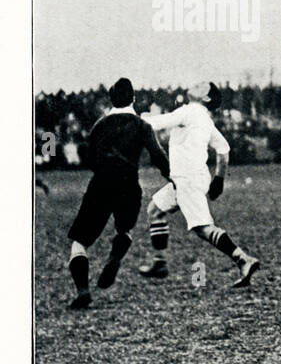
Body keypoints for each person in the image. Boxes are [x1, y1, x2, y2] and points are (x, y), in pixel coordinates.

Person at [138, 82, 261, 287]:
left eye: (201, 86)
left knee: (203, 228)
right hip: (189, 178)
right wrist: (218, 180)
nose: (195, 85)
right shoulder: (204, 118)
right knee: (155, 209)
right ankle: (159, 263)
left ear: (206, 98)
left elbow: (155, 123)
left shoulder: (190, 111)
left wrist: (128, 118)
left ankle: (244, 259)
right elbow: (223, 148)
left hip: (188, 179)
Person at [65, 77, 171, 309]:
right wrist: (172, 177)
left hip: (101, 184)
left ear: (111, 99)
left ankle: (83, 291)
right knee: (125, 230)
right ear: (133, 99)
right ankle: (115, 258)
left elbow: (89, 157)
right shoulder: (142, 125)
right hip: (129, 184)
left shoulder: (99, 125)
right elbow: (158, 155)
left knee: (79, 242)